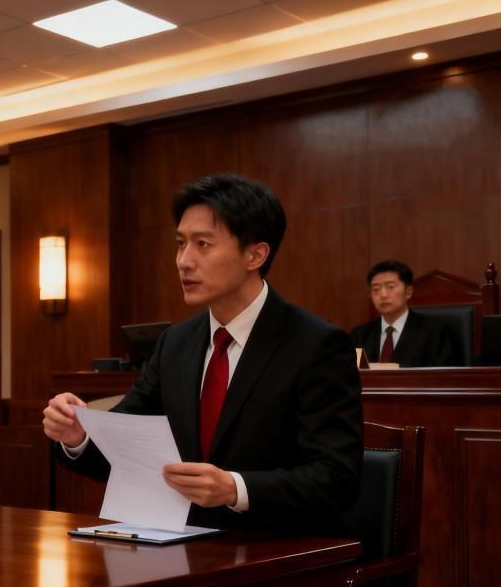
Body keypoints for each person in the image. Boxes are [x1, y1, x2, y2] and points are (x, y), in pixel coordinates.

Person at [43, 173, 363, 536]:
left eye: (203, 244)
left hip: (278, 549)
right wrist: (78, 435)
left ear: (255, 254)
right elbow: (126, 449)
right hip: (182, 545)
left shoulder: (316, 344)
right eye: (181, 244)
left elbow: (337, 478)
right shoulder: (175, 343)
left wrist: (235, 488)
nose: (184, 261)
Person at [350, 260, 460, 367]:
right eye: (376, 289)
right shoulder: (360, 335)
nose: (383, 295)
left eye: (390, 287)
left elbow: (440, 376)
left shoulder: (433, 331)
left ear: (408, 292)